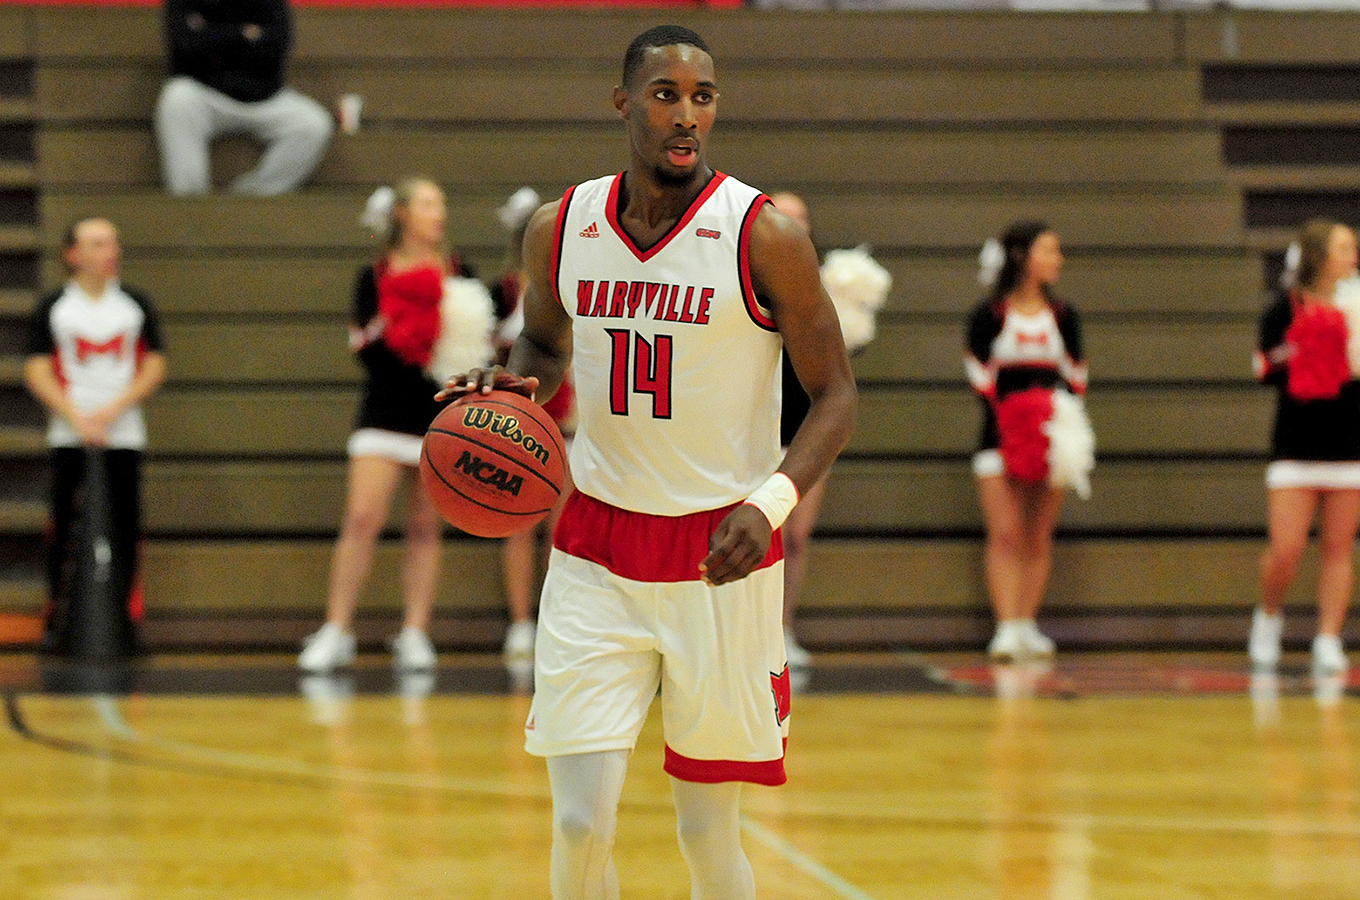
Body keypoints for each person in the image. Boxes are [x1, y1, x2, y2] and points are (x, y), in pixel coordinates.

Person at [439, 26, 857, 900]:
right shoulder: (562, 227)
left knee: (707, 833)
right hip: (596, 547)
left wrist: (771, 504)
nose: (687, 115)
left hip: (722, 553)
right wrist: (512, 389)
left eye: (703, 97)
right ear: (623, 102)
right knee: (579, 822)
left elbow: (836, 395)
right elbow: (544, 343)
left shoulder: (764, 236)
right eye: (666, 94)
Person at [298, 177, 494, 673]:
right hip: (385, 411)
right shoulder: (374, 274)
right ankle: (336, 629)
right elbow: (364, 348)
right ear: (402, 213)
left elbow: (477, 346)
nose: (439, 212)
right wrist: (408, 330)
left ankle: (415, 632)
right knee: (362, 520)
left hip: (440, 415)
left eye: (441, 203)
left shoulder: (461, 271)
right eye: (428, 203)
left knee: (426, 526)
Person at [23, 217, 168, 652]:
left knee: (126, 525)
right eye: (100, 243)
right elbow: (37, 368)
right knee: (63, 523)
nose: (111, 251)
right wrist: (76, 416)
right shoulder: (55, 307)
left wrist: (112, 412)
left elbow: (155, 364)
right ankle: (58, 617)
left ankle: (126, 618)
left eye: (114, 242)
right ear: (73, 254)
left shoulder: (134, 305)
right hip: (69, 436)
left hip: (123, 435)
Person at [767, 190, 890, 669]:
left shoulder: (820, 292)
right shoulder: (744, 284)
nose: (792, 225)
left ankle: (782, 629)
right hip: (750, 433)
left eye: (801, 218)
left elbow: (839, 368)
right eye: (782, 216)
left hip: (804, 434)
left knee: (794, 538)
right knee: (752, 535)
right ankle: (743, 634)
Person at [966, 221, 1092, 661]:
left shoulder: (1064, 315)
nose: (1058, 259)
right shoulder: (989, 315)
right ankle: (1005, 626)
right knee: (1005, 533)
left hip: (1053, 437)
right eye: (1049, 250)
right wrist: (1016, 420)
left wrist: (1051, 419)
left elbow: (1077, 376)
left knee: (1038, 535)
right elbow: (979, 377)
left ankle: (1026, 623)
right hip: (999, 438)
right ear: (1021, 256)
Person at [1250, 218, 1360, 675]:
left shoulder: (1357, 306)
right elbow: (1262, 366)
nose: (1352, 256)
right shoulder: (1284, 309)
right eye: (1343, 248)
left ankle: (1328, 638)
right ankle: (1268, 616)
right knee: (1287, 548)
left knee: (1339, 547)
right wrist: (1304, 345)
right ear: (1318, 255)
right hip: (1296, 442)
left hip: (1348, 440)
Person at [489, 188, 578, 663]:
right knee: (519, 525)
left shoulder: (577, 289)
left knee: (562, 527)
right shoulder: (503, 291)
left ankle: (553, 619)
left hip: (568, 425)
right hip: (519, 429)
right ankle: (520, 622)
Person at [155, 0, 333, 196]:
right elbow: (183, 44)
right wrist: (244, 34)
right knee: (176, 97)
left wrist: (211, 35)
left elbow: (276, 45)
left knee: (313, 123)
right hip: (204, 94)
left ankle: (252, 198)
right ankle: (190, 201)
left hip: (265, 97)